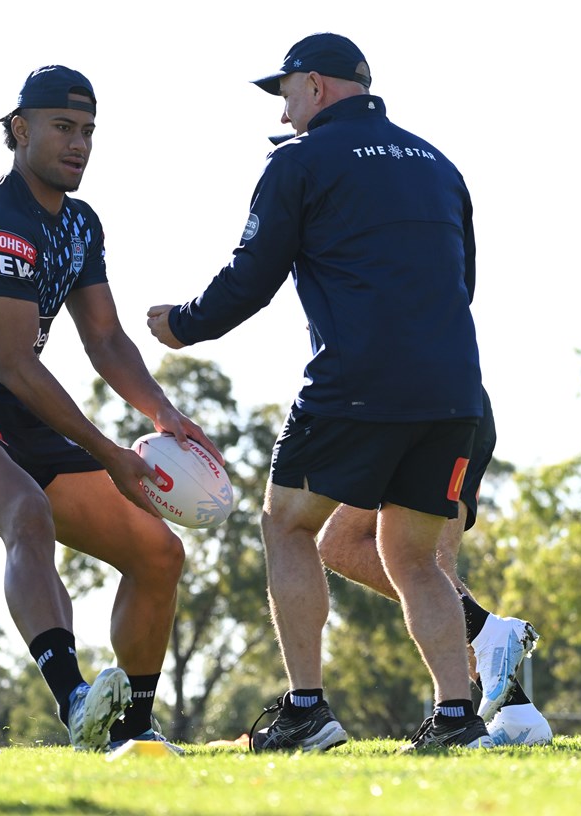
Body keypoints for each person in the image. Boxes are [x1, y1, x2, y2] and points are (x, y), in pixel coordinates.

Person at [148, 33, 492, 751]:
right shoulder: (438, 162)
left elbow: (252, 275)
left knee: (287, 524)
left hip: (355, 384)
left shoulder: (300, 161)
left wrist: (183, 325)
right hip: (455, 387)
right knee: (414, 558)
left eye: (286, 91)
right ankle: (456, 718)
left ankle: (307, 709)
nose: (283, 108)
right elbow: (463, 283)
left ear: (315, 84)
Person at [0, 65, 223, 753]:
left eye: (88, 132)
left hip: (27, 418)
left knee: (158, 554)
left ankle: (133, 734)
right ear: (21, 131)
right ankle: (75, 698)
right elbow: (15, 365)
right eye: (62, 128)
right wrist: (111, 455)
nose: (78, 144)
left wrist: (164, 415)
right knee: (28, 511)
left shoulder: (80, 224)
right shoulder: (0, 225)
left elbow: (105, 338)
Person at [318, 387, 554, 746]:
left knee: (352, 545)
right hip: (452, 404)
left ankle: (488, 641)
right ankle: (516, 712)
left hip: (420, 405)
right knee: (430, 561)